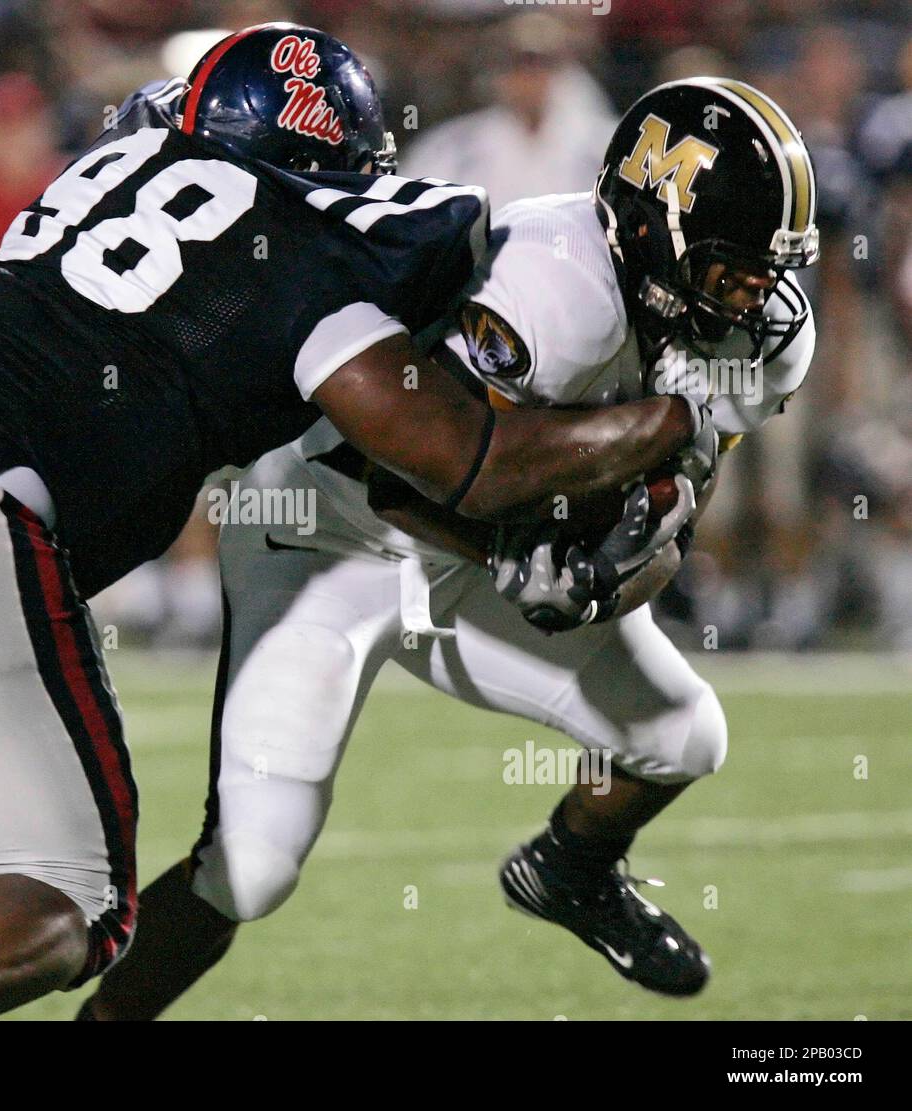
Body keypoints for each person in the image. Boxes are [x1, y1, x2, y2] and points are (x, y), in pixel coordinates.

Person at [0, 25, 708, 1021]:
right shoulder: (315, 244)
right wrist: (664, 421)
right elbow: (464, 459)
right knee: (71, 897)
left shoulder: (109, 170)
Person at [82, 76, 820, 1018]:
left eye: (773, 264)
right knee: (252, 866)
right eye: (736, 267)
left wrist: (616, 563)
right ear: (653, 232)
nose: (761, 292)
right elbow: (415, 472)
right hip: (332, 535)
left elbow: (669, 512)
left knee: (684, 735)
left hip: (481, 549)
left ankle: (571, 872)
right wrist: (537, 550)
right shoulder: (553, 286)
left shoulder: (759, 336)